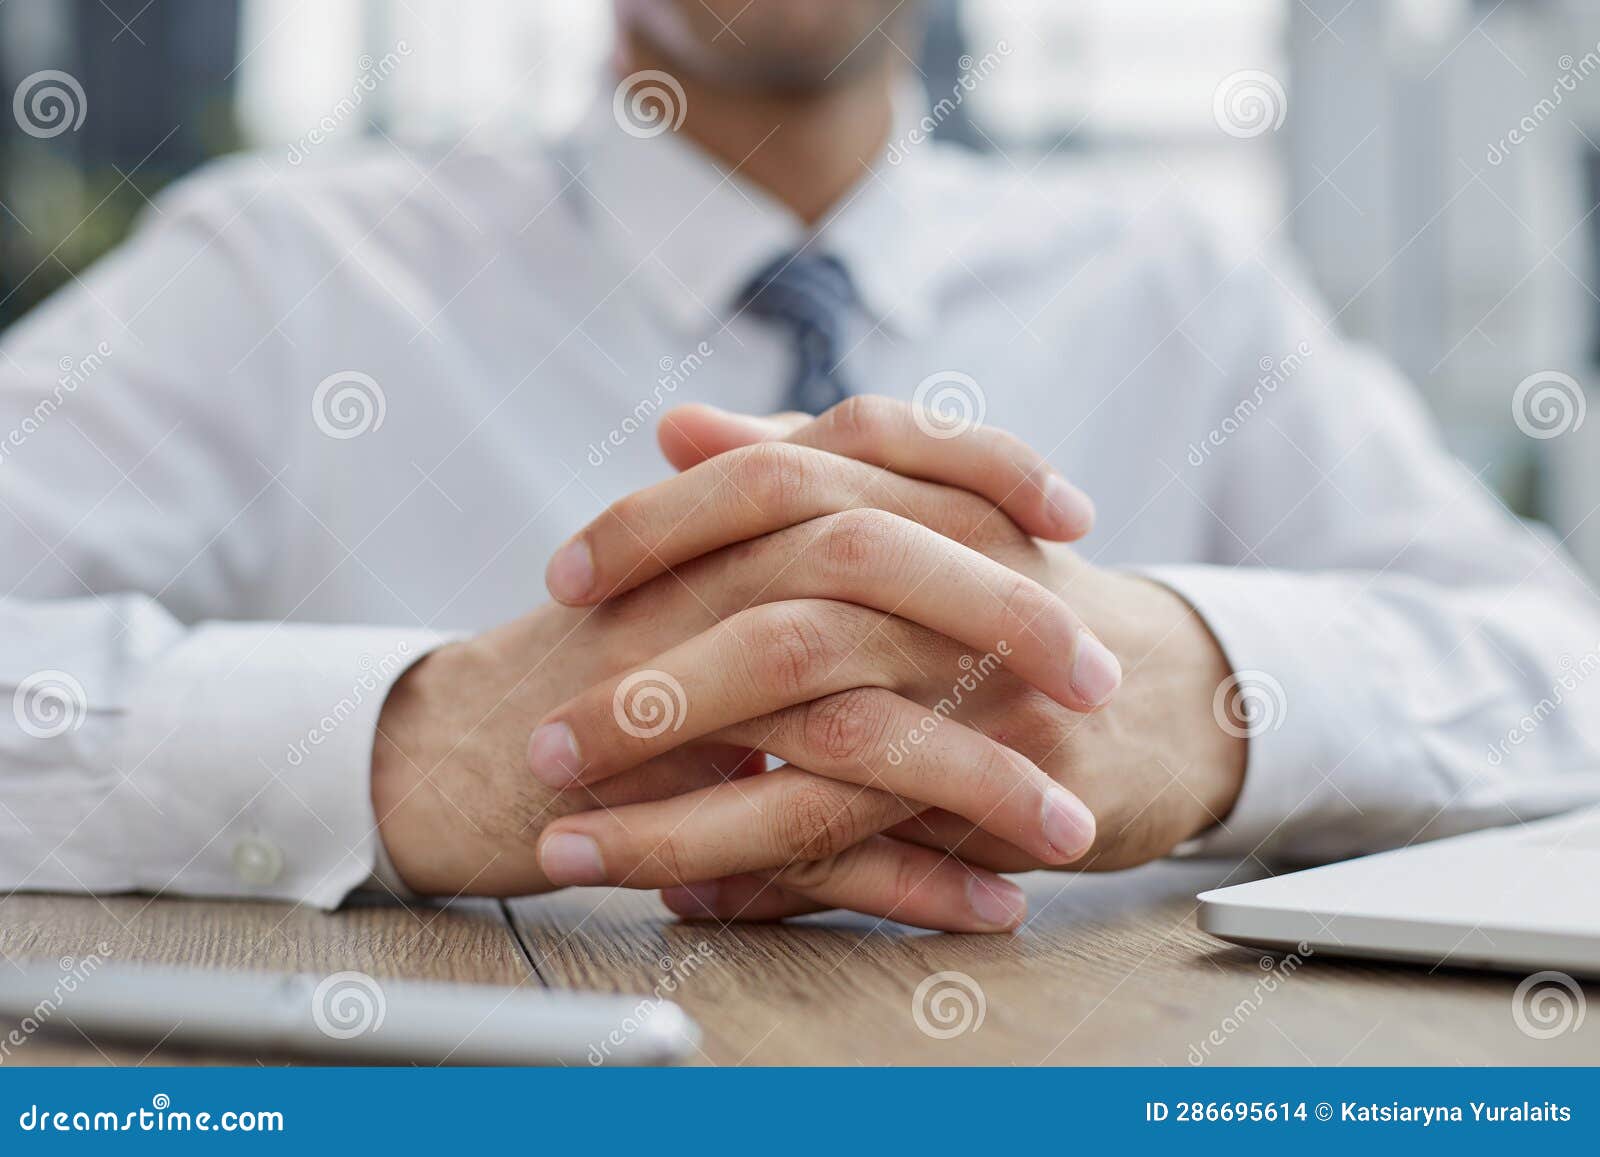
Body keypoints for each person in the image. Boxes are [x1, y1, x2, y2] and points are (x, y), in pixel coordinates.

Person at [3, 0, 1598, 934]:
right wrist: (397, 746)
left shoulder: (1185, 285)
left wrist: (1216, 694)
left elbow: (1568, 676)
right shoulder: (280, 271)